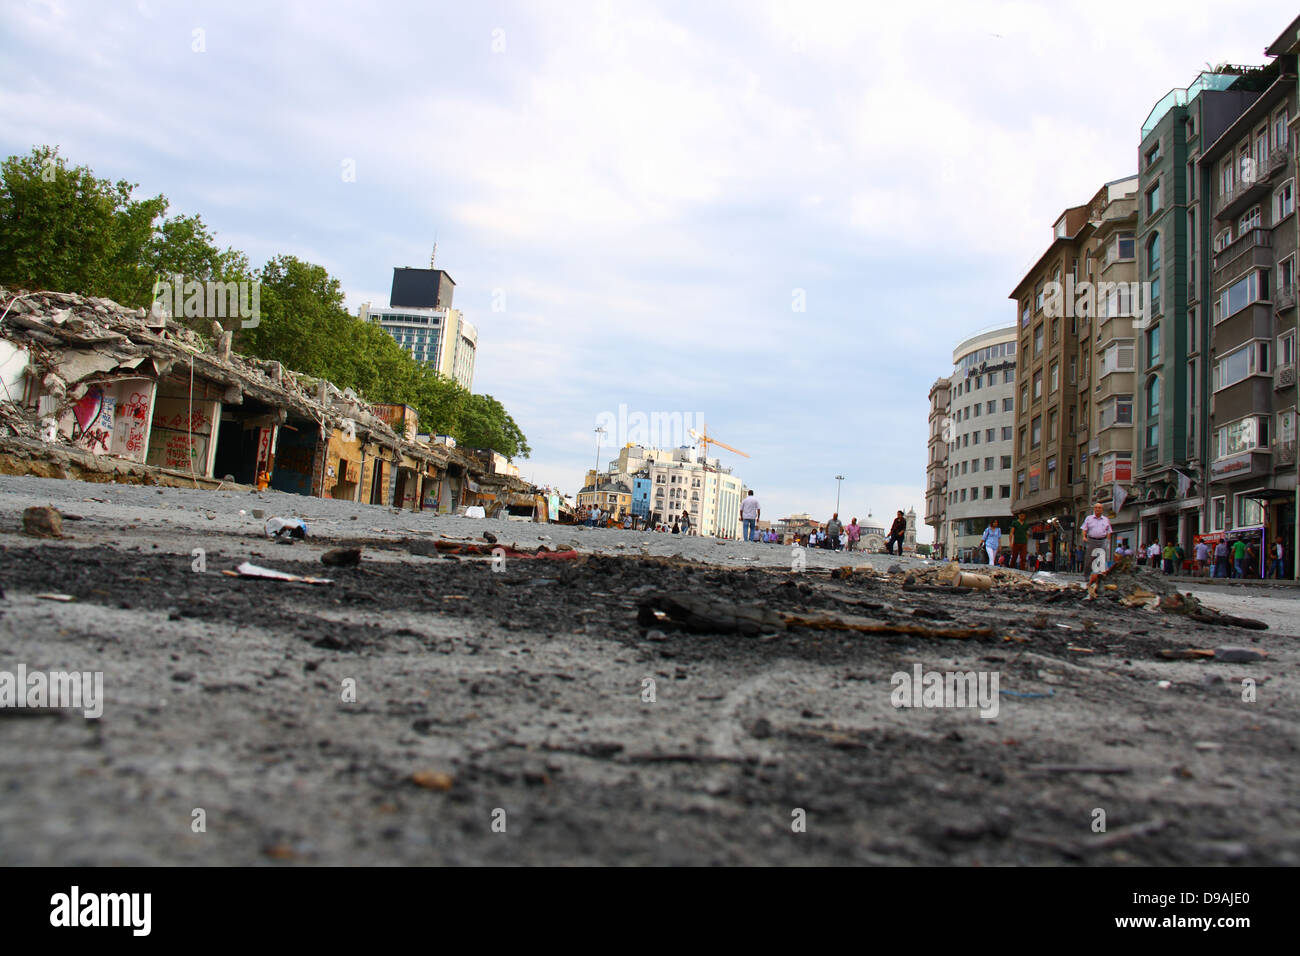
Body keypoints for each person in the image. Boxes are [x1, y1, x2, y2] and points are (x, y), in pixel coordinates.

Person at [1080, 502, 1113, 570]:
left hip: (1102, 540)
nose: (1097, 509)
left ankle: (1099, 575)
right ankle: (1087, 575)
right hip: (1091, 540)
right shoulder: (1089, 518)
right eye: (1096, 508)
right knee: (1089, 558)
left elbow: (1109, 531)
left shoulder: (1106, 519)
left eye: (1099, 508)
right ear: (1094, 509)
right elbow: (1084, 529)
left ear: (1102, 510)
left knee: (1102, 558)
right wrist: (1084, 536)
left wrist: (1108, 540)